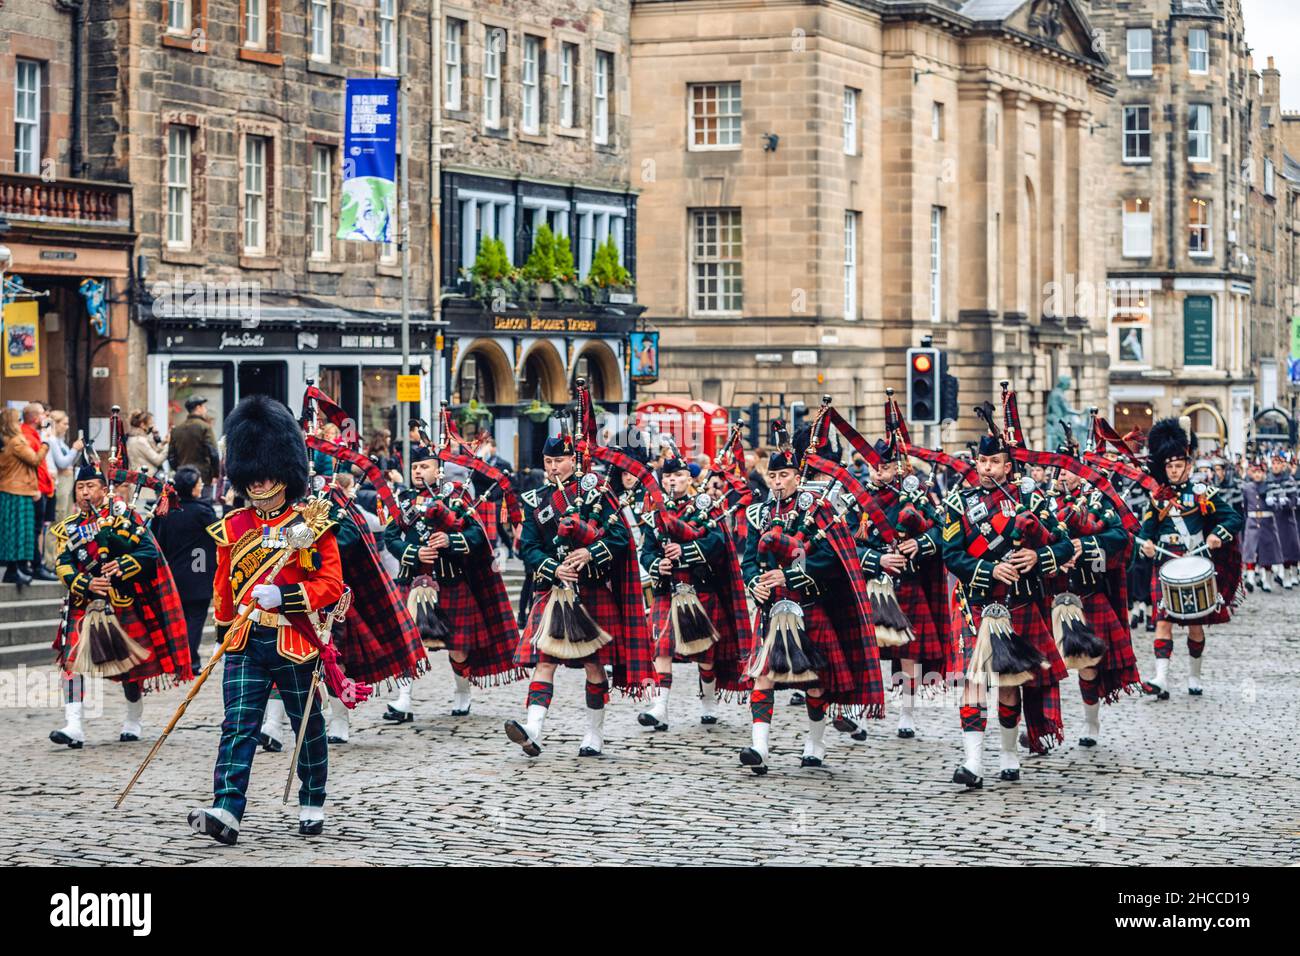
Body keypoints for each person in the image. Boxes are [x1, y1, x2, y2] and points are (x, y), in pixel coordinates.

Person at [189, 395, 345, 846]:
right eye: (251, 475)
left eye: (267, 474)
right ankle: (227, 808)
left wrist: (285, 595)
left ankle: (313, 797)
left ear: (286, 472)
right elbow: (223, 587)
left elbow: (330, 584)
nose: (259, 484)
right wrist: (225, 628)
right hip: (243, 641)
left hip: (292, 640)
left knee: (306, 726)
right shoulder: (234, 526)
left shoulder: (309, 525)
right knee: (238, 724)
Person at [942, 404, 1076, 790]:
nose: (985, 468)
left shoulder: (1032, 500)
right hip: (976, 604)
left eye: (994, 462)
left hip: (1018, 603)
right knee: (973, 681)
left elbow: (1065, 545)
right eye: (981, 461)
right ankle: (972, 762)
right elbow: (952, 556)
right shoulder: (957, 504)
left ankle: (1008, 755)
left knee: (1009, 682)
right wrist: (988, 570)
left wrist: (1037, 556)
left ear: (1008, 466)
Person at [739, 422, 884, 773]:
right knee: (764, 676)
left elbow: (829, 561)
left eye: (784, 475)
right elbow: (748, 561)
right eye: (772, 475)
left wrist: (787, 575)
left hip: (810, 605)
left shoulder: (818, 512)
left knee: (816, 682)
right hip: (773, 610)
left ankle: (815, 744)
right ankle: (759, 747)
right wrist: (755, 582)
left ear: (797, 477)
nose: (776, 482)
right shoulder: (759, 514)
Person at [503, 428, 656, 758]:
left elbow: (620, 539)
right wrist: (553, 568)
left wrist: (590, 553)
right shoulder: (537, 500)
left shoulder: (598, 494)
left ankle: (593, 733)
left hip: (591, 592)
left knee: (594, 666)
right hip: (555, 591)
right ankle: (533, 728)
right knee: (544, 662)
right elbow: (527, 547)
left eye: (559, 460)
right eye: (548, 461)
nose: (553, 467)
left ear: (574, 460)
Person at [49, 450, 192, 748]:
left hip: (122, 601)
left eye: (90, 487)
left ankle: (133, 719)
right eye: (80, 487)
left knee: (130, 671)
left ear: (104, 488)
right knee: (72, 662)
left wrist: (122, 566)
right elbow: (62, 562)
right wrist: (84, 582)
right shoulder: (70, 526)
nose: (85, 492)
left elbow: (149, 555)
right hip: (83, 601)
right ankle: (73, 724)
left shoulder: (126, 517)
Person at [381, 442, 521, 723]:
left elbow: (477, 535)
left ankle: (462, 692)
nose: (418, 471)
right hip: (413, 581)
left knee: (458, 646)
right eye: (415, 467)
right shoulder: (405, 500)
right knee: (409, 642)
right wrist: (414, 552)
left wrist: (450, 540)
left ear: (439, 469)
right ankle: (404, 700)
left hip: (449, 581)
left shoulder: (456, 497)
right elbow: (391, 537)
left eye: (425, 466)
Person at [637, 450, 753, 731]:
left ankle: (709, 704)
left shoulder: (705, 507)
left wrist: (684, 552)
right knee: (661, 649)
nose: (672, 481)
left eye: (678, 476)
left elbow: (718, 545)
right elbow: (647, 551)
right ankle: (660, 709)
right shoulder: (656, 512)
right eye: (667, 477)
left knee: (705, 656)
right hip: (668, 590)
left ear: (690, 478)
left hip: (700, 588)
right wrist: (657, 565)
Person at [854, 437, 951, 741]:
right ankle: (862, 715)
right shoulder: (859, 499)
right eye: (873, 467)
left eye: (883, 467)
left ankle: (906, 713)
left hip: (907, 582)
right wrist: (877, 559)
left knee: (908, 653)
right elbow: (846, 544)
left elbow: (940, 530)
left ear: (898, 467)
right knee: (866, 653)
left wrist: (919, 544)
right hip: (872, 583)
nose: (877, 473)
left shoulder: (917, 496)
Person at [1137, 418, 1242, 699]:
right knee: (1162, 621)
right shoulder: (1158, 498)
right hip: (1165, 566)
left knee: (1195, 624)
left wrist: (1217, 535)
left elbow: (1233, 518)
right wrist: (1146, 546)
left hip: (1195, 564)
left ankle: (1194, 675)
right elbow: (1146, 533)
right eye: (1169, 467)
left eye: (1178, 466)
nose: (1172, 471)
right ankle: (1160, 678)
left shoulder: (1202, 494)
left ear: (1188, 466)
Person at [1050, 449, 1142, 747]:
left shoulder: (1097, 501)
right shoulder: (1044, 501)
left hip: (1087, 593)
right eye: (1059, 469)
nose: (1061, 474)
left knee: (1087, 665)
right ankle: (1042, 724)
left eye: (1068, 469)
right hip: (1048, 597)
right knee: (1041, 668)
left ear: (1082, 471)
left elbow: (1121, 537)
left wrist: (1085, 544)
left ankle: (1091, 722)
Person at [149, 465, 217, 671]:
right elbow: (221, 534)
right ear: (192, 488)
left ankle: (178, 659)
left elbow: (158, 540)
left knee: (177, 619)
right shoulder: (203, 511)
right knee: (195, 619)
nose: (201, 486)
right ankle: (190, 660)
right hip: (199, 571)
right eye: (198, 483)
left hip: (174, 573)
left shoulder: (167, 510)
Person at [0, 408, 40, 587]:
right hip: (15, 490)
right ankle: (13, 570)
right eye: (17, 420)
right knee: (17, 532)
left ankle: (16, 569)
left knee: (17, 532)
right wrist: (45, 444)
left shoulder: (7, 440)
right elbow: (34, 459)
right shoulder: (15, 441)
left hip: (15, 489)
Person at [21, 403, 58, 580]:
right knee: (35, 530)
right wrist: (45, 443)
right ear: (36, 417)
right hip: (36, 488)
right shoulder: (26, 436)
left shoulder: (34, 434)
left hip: (42, 486)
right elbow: (34, 462)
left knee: (37, 528)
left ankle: (35, 564)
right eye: (43, 414)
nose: (46, 417)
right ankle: (35, 565)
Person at [43, 410, 84, 567]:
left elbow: (69, 462)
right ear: (56, 423)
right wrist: (74, 448)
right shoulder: (52, 440)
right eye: (64, 423)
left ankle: (60, 557)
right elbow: (62, 462)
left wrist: (76, 451)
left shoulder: (59, 441)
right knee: (57, 521)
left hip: (67, 481)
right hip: (60, 483)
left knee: (66, 521)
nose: (67, 427)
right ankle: (50, 560)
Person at [1242, 457, 1282, 593]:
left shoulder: (1272, 487)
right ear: (1252, 473)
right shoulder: (1247, 488)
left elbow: (1278, 507)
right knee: (1250, 552)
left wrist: (1274, 503)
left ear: (1264, 473)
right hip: (1252, 522)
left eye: (1260, 472)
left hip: (1267, 523)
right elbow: (1245, 506)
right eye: (1255, 472)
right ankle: (1251, 579)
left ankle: (1267, 580)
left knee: (1267, 553)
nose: (1258, 475)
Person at [169, 396, 220, 497]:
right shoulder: (204, 427)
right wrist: (215, 474)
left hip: (182, 476)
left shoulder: (177, 429)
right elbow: (213, 452)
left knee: (184, 507)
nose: (205, 409)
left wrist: (179, 470)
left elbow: (171, 456)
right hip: (202, 477)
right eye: (203, 406)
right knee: (203, 506)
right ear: (198, 407)